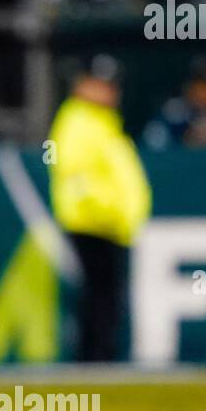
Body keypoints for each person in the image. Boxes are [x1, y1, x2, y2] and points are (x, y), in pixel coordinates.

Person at [47, 56, 151, 363]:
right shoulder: (78, 120)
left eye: (110, 85)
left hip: (110, 224)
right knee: (100, 295)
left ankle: (99, 358)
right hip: (92, 223)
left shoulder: (103, 122)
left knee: (106, 295)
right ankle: (93, 360)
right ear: (82, 85)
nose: (107, 91)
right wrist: (106, 211)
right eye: (100, 84)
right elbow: (74, 174)